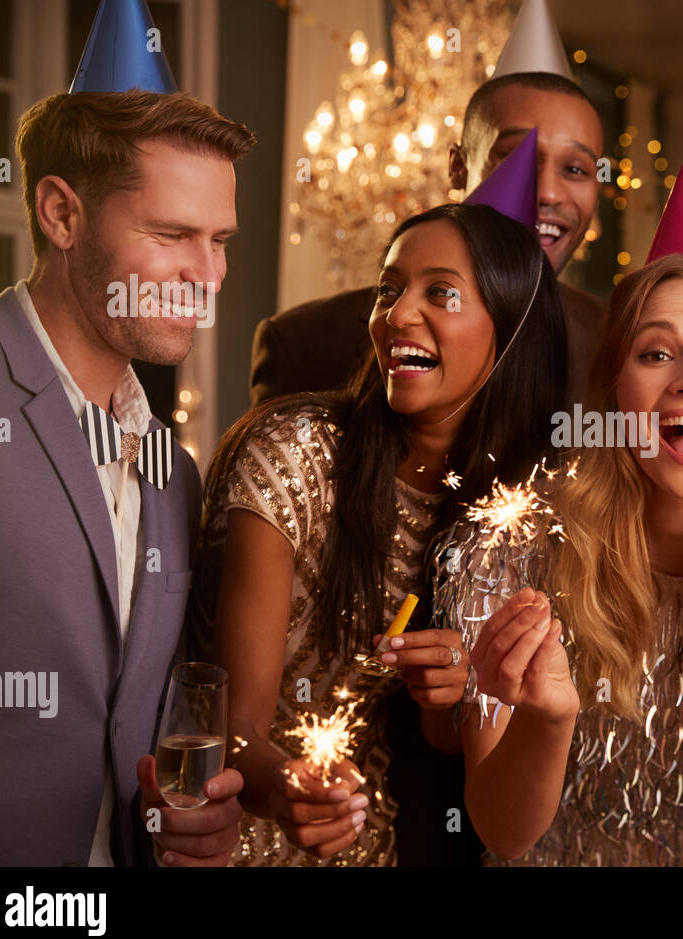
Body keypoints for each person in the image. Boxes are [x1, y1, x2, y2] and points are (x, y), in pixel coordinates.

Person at [433, 253, 683, 866]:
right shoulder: (512, 552)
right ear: (612, 392)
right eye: (655, 354)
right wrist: (548, 720)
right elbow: (503, 832)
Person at [189, 202, 568, 865]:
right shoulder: (298, 453)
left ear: (509, 331)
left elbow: (457, 752)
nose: (395, 315)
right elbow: (235, 724)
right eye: (388, 289)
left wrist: (448, 696)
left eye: (440, 293)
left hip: (370, 834)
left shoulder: (510, 518)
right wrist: (292, 792)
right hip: (235, 823)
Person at [0, 89, 255, 865]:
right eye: (171, 234)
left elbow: (135, 724)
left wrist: (177, 826)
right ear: (61, 215)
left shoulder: (173, 473)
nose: (208, 274)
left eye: (219, 239)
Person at [249, 71, 606, 407]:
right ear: (458, 168)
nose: (546, 193)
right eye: (515, 157)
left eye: (575, 169)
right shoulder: (303, 344)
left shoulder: (615, 339)